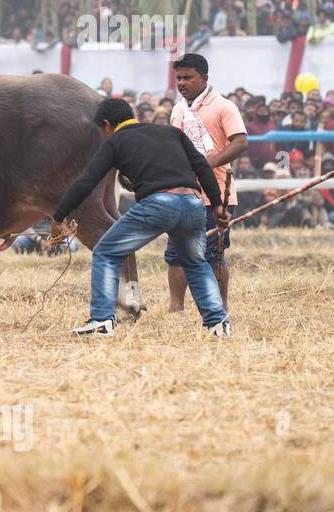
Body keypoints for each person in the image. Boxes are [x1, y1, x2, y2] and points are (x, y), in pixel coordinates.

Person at [49, 98, 230, 337]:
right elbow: (202, 167)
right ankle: (218, 323)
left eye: (101, 131)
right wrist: (217, 205)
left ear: (106, 125)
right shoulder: (172, 133)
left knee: (105, 252)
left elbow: (86, 182)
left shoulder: (115, 141)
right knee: (195, 262)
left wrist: (58, 215)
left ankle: (102, 320)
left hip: (159, 204)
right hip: (193, 203)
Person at [168, 52, 247, 310]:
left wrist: (207, 164)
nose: (181, 82)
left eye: (188, 77)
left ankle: (219, 308)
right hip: (182, 193)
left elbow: (240, 142)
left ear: (204, 78)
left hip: (217, 194)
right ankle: (175, 310)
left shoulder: (224, 107)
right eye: (178, 77)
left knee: (214, 254)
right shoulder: (177, 110)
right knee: (176, 255)